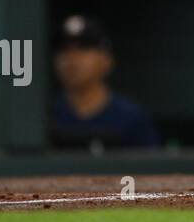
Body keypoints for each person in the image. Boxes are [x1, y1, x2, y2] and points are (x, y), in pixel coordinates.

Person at [51, 14, 160, 150]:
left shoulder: (132, 119)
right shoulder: (46, 117)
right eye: (64, 49)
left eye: (84, 48)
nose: (72, 58)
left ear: (107, 60)